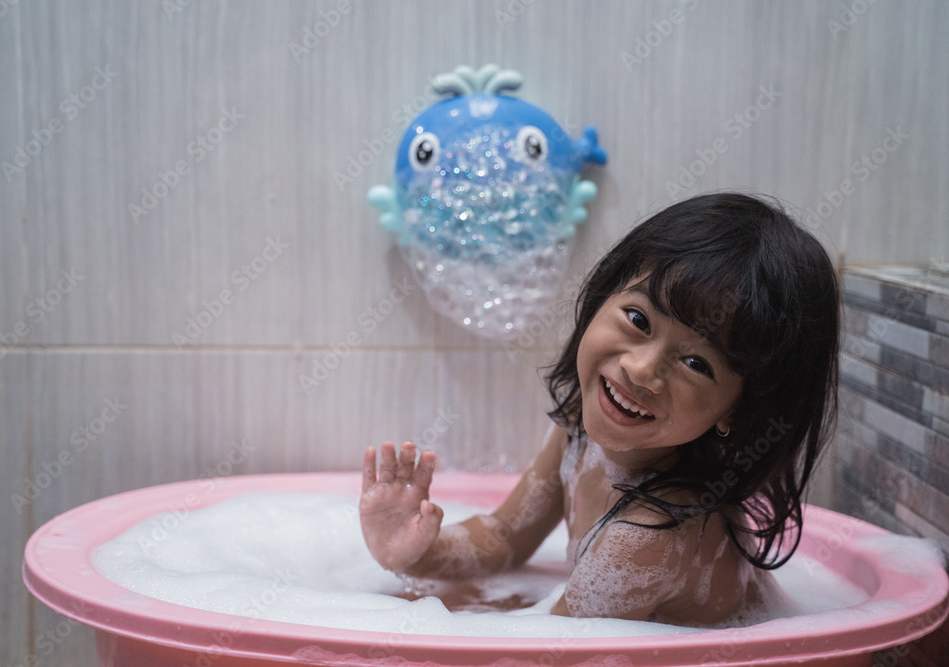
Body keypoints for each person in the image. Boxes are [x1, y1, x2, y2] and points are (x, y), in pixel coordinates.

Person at [359, 192, 840, 625]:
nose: (642, 371)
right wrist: (412, 553)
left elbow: (544, 654)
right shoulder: (581, 432)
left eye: (697, 362)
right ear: (600, 298)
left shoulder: (652, 533)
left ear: (739, 409)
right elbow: (505, 535)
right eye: (638, 319)